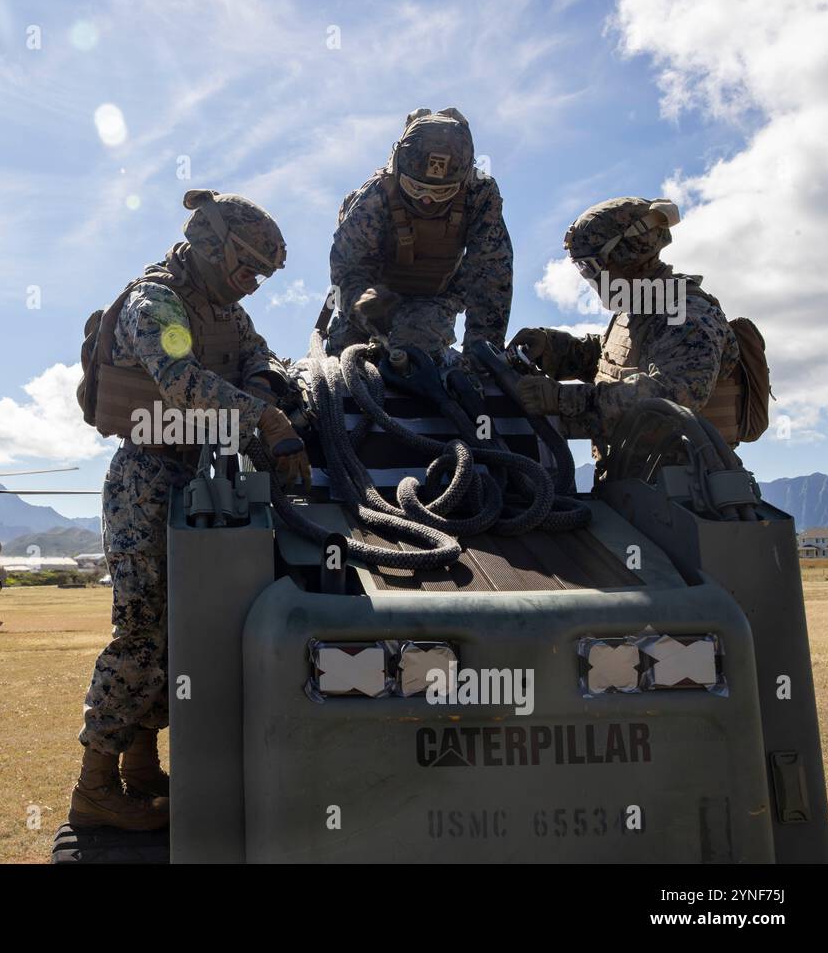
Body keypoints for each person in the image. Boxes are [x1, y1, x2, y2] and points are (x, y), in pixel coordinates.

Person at [71, 189, 310, 830]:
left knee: (177, 634)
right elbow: (180, 382)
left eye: (262, 274)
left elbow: (259, 361)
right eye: (247, 267)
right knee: (143, 633)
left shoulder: (225, 312)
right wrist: (263, 415)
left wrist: (265, 394)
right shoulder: (159, 301)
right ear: (211, 244)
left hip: (198, 478)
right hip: (147, 476)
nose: (252, 284)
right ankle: (94, 786)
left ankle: (141, 773)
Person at [511, 196, 742, 449]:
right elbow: (616, 362)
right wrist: (553, 348)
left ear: (626, 255)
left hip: (684, 483)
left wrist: (562, 399)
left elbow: (667, 399)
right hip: (637, 482)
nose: (589, 278)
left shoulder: (688, 317)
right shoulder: (641, 307)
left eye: (590, 266)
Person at [322, 107, 512, 364]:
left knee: (417, 350)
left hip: (435, 298)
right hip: (373, 296)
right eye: (416, 188)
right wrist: (362, 301)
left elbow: (491, 274)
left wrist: (483, 355)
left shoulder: (479, 195)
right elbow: (346, 266)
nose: (426, 199)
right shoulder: (375, 195)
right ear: (398, 170)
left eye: (441, 192)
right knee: (343, 362)